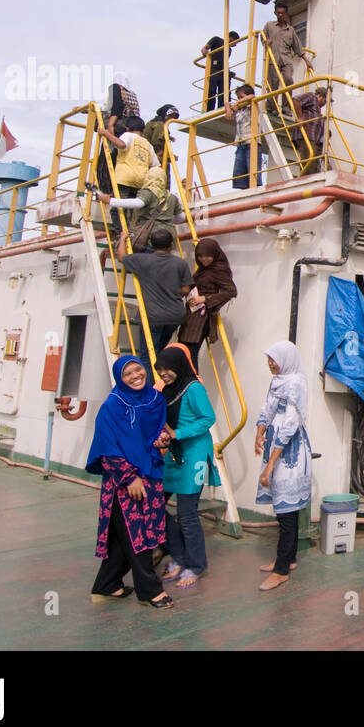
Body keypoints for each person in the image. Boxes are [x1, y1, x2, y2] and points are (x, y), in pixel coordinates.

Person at [86, 354, 174, 608]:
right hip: (125, 482)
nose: (135, 376)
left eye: (138, 370)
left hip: (151, 475)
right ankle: (149, 590)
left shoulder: (155, 399)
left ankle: (107, 584)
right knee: (137, 536)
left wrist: (162, 440)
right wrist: (129, 477)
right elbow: (107, 447)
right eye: (128, 374)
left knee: (127, 537)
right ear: (119, 378)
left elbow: (157, 430)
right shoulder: (111, 407)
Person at [155, 344, 220, 589]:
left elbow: (208, 418)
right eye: (160, 369)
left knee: (187, 514)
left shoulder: (193, 388)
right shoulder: (166, 389)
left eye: (167, 369)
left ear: (178, 366)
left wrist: (178, 433)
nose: (164, 374)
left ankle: (195, 564)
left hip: (193, 455)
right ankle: (178, 554)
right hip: (173, 455)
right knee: (154, 504)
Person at [256, 340, 312, 592]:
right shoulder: (278, 381)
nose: (270, 363)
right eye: (269, 358)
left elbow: (289, 425)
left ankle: (280, 571)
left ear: (286, 359)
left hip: (289, 452)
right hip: (274, 448)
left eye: (274, 359)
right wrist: (260, 430)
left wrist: (270, 465)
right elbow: (267, 408)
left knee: (287, 512)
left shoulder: (296, 384)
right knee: (283, 510)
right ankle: (287, 559)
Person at [120, 229, 194, 350]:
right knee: (159, 352)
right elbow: (186, 289)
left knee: (148, 355)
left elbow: (121, 257)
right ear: (171, 244)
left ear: (152, 244)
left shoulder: (141, 260)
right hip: (175, 316)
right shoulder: (181, 263)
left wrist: (123, 238)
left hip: (152, 316)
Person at [177, 239, 238, 366]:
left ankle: (194, 384)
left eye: (207, 256)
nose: (204, 259)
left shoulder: (219, 270)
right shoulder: (202, 270)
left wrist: (205, 299)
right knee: (184, 352)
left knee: (190, 355)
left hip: (201, 318)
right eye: (200, 256)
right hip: (192, 315)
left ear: (215, 254)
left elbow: (231, 291)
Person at [97, 165, 181, 253]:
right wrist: (164, 218)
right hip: (168, 239)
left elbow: (138, 203)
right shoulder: (172, 197)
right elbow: (180, 218)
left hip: (149, 237)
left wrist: (110, 201)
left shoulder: (148, 191)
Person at [99, 115, 157, 198]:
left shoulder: (128, 135)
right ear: (143, 130)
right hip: (141, 181)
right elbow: (155, 165)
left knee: (119, 207)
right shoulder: (148, 145)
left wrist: (106, 133)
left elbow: (122, 144)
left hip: (124, 178)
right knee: (131, 206)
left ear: (127, 128)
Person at [262, 0, 306, 98]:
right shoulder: (269, 26)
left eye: (282, 13)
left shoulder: (290, 30)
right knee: (273, 84)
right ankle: (272, 109)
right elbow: (262, 37)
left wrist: (306, 60)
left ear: (286, 13)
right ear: (275, 13)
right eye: (278, 13)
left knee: (288, 79)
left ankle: (286, 108)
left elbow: (297, 46)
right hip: (273, 60)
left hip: (286, 61)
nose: (280, 15)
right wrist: (266, 41)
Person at [225, 83, 262, 189]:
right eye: (238, 98)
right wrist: (228, 109)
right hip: (241, 144)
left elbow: (252, 97)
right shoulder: (240, 110)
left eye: (241, 97)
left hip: (252, 143)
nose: (239, 100)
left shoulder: (253, 105)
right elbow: (227, 103)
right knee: (240, 175)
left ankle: (255, 194)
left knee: (253, 175)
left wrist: (238, 102)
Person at [143, 105, 180, 190]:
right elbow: (157, 145)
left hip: (150, 158)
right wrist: (167, 156)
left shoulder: (153, 123)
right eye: (170, 116)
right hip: (157, 161)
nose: (171, 119)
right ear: (165, 114)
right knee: (162, 186)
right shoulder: (160, 125)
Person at [202, 32, 240, 111]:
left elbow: (224, 62)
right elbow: (205, 48)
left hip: (223, 72)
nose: (235, 45)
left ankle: (222, 109)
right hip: (214, 70)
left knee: (224, 93)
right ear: (232, 38)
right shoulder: (217, 39)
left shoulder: (229, 49)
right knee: (211, 91)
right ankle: (209, 110)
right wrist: (206, 54)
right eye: (236, 43)